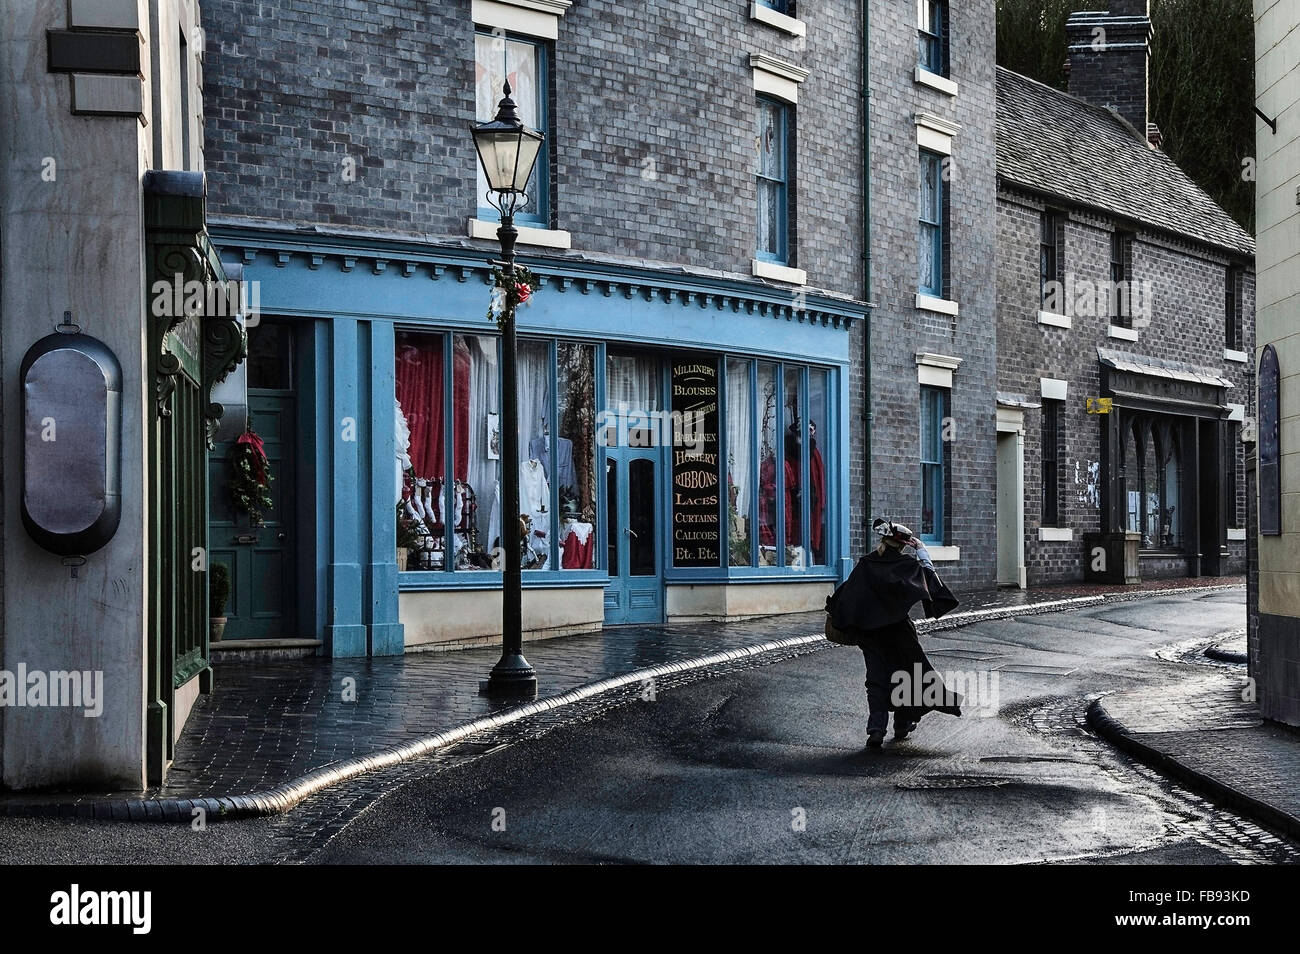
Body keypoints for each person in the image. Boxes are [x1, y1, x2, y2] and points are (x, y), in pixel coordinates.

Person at [826, 518, 963, 748]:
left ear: (883, 540)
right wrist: (922, 551)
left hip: (870, 633)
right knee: (907, 676)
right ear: (903, 545)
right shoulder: (906, 565)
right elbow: (930, 580)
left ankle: (876, 730)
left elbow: (848, 593)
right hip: (899, 632)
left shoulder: (866, 564)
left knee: (876, 680)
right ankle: (902, 724)